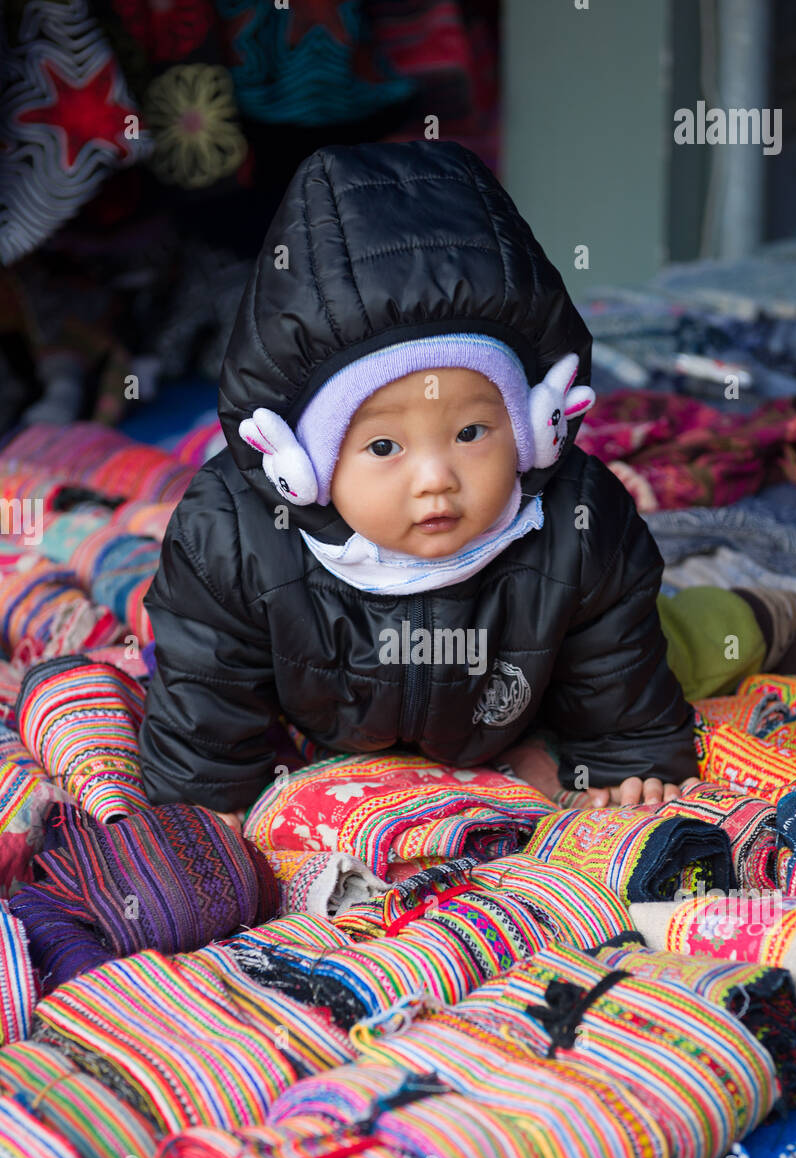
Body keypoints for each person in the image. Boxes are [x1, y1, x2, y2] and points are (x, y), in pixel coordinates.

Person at [139, 138, 705, 832]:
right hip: (336, 720)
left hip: (515, 709)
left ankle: (764, 616)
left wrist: (626, 756)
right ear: (302, 465)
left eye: (472, 433)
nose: (436, 477)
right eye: (383, 446)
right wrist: (211, 797)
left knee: (691, 638)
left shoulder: (578, 517)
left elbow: (615, 654)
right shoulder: (234, 536)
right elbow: (208, 679)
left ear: (533, 426)